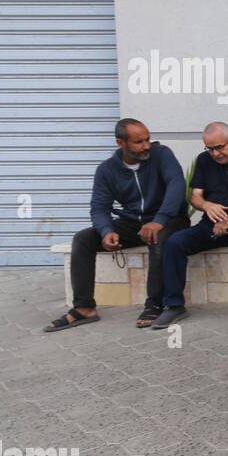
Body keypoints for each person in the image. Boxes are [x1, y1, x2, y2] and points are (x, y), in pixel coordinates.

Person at [44, 118, 190, 332]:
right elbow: (99, 207)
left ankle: (156, 304)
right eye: (139, 142)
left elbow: (177, 185)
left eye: (147, 139)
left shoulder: (162, 155)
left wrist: (159, 221)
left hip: (170, 219)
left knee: (157, 237)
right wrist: (106, 231)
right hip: (133, 223)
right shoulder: (106, 170)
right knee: (83, 239)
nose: (147, 145)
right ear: (120, 143)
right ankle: (84, 308)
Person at [151, 122, 228, 329]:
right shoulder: (204, 161)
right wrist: (206, 205)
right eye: (209, 149)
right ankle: (173, 305)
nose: (215, 154)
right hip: (212, 224)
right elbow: (195, 197)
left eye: (219, 148)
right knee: (174, 242)